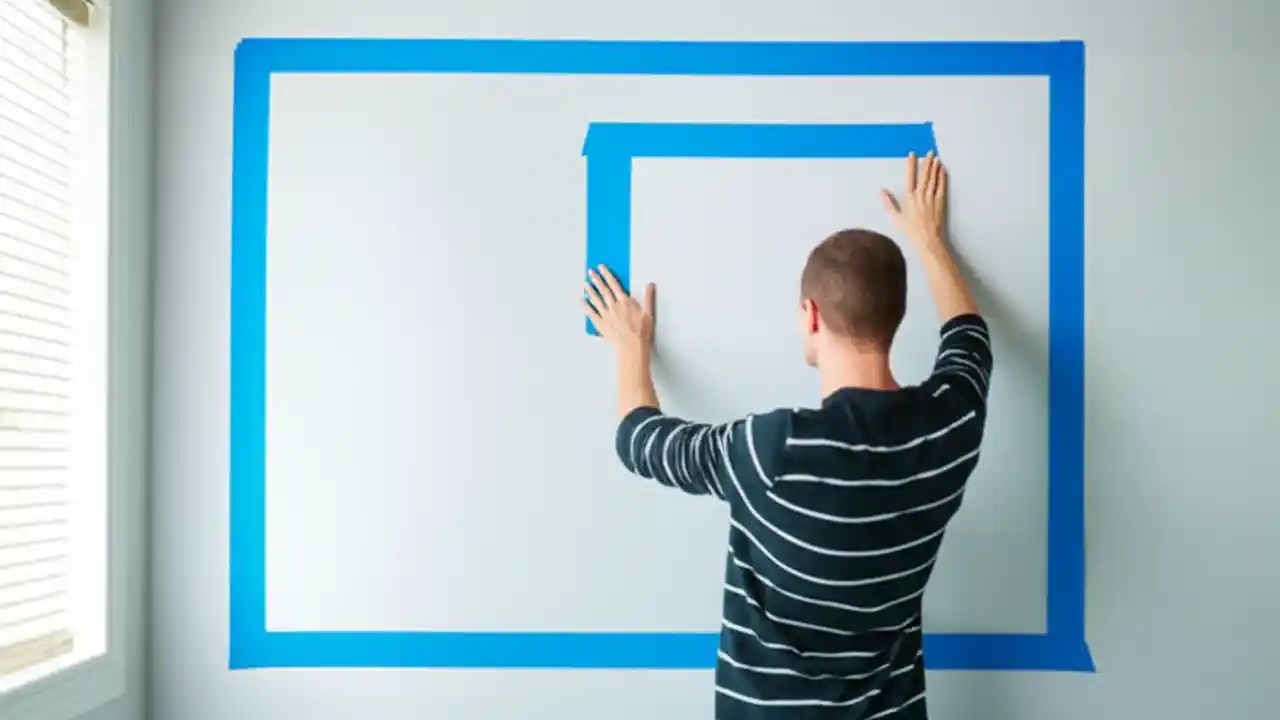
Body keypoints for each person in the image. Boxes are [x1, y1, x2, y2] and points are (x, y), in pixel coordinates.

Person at [583, 151, 992, 719]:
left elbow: (640, 441)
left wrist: (630, 349)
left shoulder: (773, 451)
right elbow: (969, 340)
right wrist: (927, 239)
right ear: (896, 316)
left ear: (811, 315)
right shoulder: (949, 430)